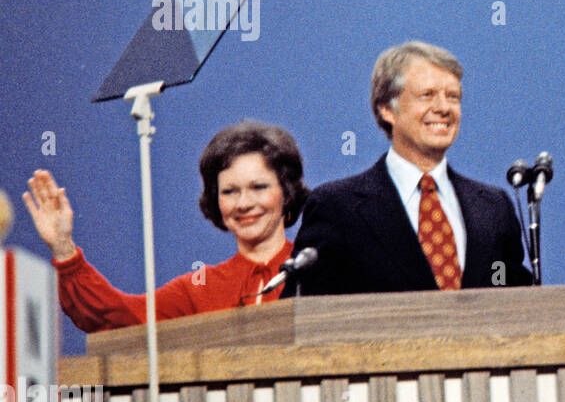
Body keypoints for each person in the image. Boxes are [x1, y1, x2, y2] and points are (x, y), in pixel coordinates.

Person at [23, 121, 308, 333]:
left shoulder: (320, 270)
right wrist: (63, 247)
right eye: (230, 191)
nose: (244, 203)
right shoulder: (198, 288)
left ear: (286, 191)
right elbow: (118, 318)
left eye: (259, 187)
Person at [293, 41, 531, 294]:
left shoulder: (493, 209)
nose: (443, 108)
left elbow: (507, 294)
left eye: (453, 97)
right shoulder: (337, 208)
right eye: (427, 95)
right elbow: (309, 311)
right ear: (387, 109)